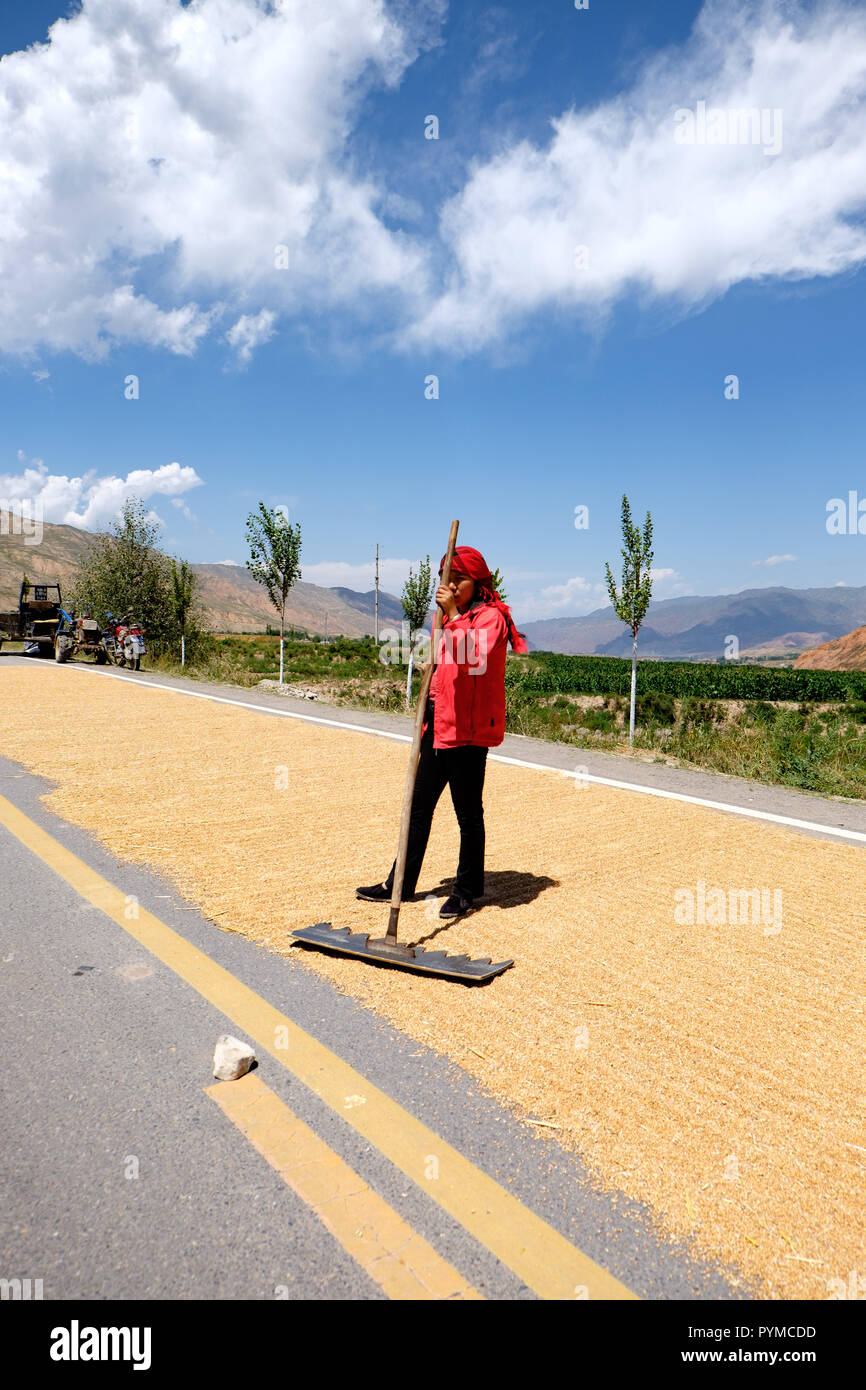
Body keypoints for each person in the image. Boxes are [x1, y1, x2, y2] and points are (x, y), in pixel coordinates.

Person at [357, 545, 527, 918]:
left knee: (467, 813)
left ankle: (466, 891)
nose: (447, 585)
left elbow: (473, 657)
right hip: (439, 724)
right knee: (418, 808)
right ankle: (398, 882)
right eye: (444, 578)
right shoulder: (446, 619)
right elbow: (441, 674)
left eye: (457, 579)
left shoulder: (491, 619)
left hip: (469, 733)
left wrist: (451, 614)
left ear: (477, 581)